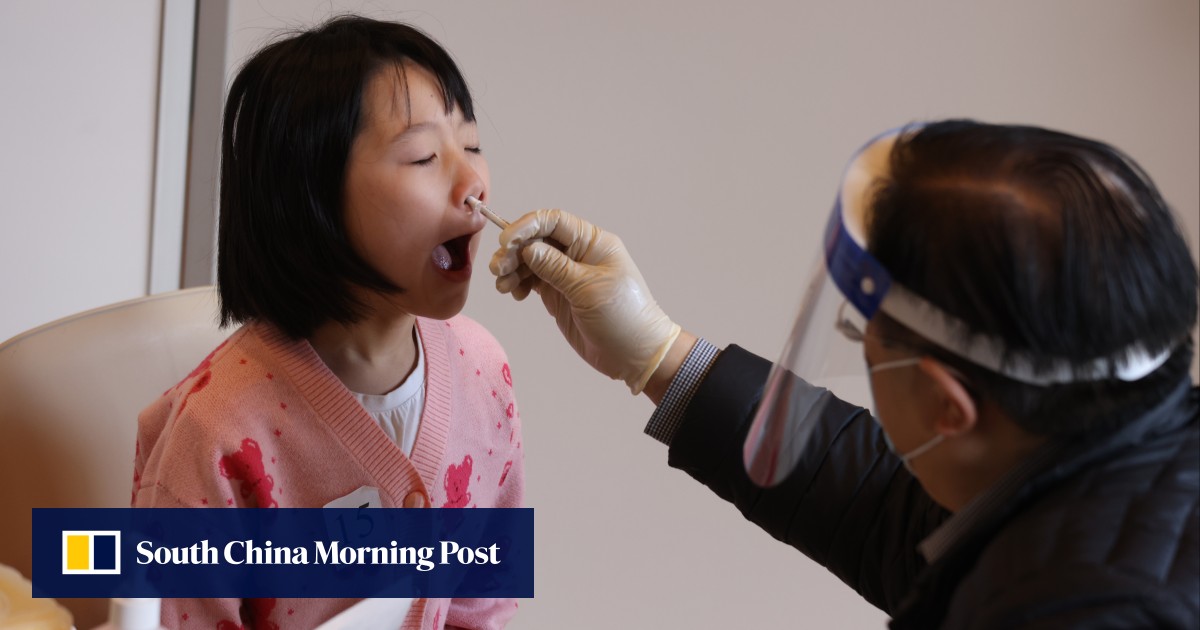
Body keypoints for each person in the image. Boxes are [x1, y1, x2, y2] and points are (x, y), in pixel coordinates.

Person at [490, 120, 1198, 628]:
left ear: (949, 406)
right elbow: (899, 520)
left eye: (862, 335)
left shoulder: (1073, 607)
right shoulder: (1117, 459)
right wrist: (661, 354)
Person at [132, 16, 523, 630]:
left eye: (471, 146)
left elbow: (483, 601)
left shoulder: (484, 369)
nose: (475, 184)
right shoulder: (216, 430)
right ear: (310, 196)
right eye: (423, 156)